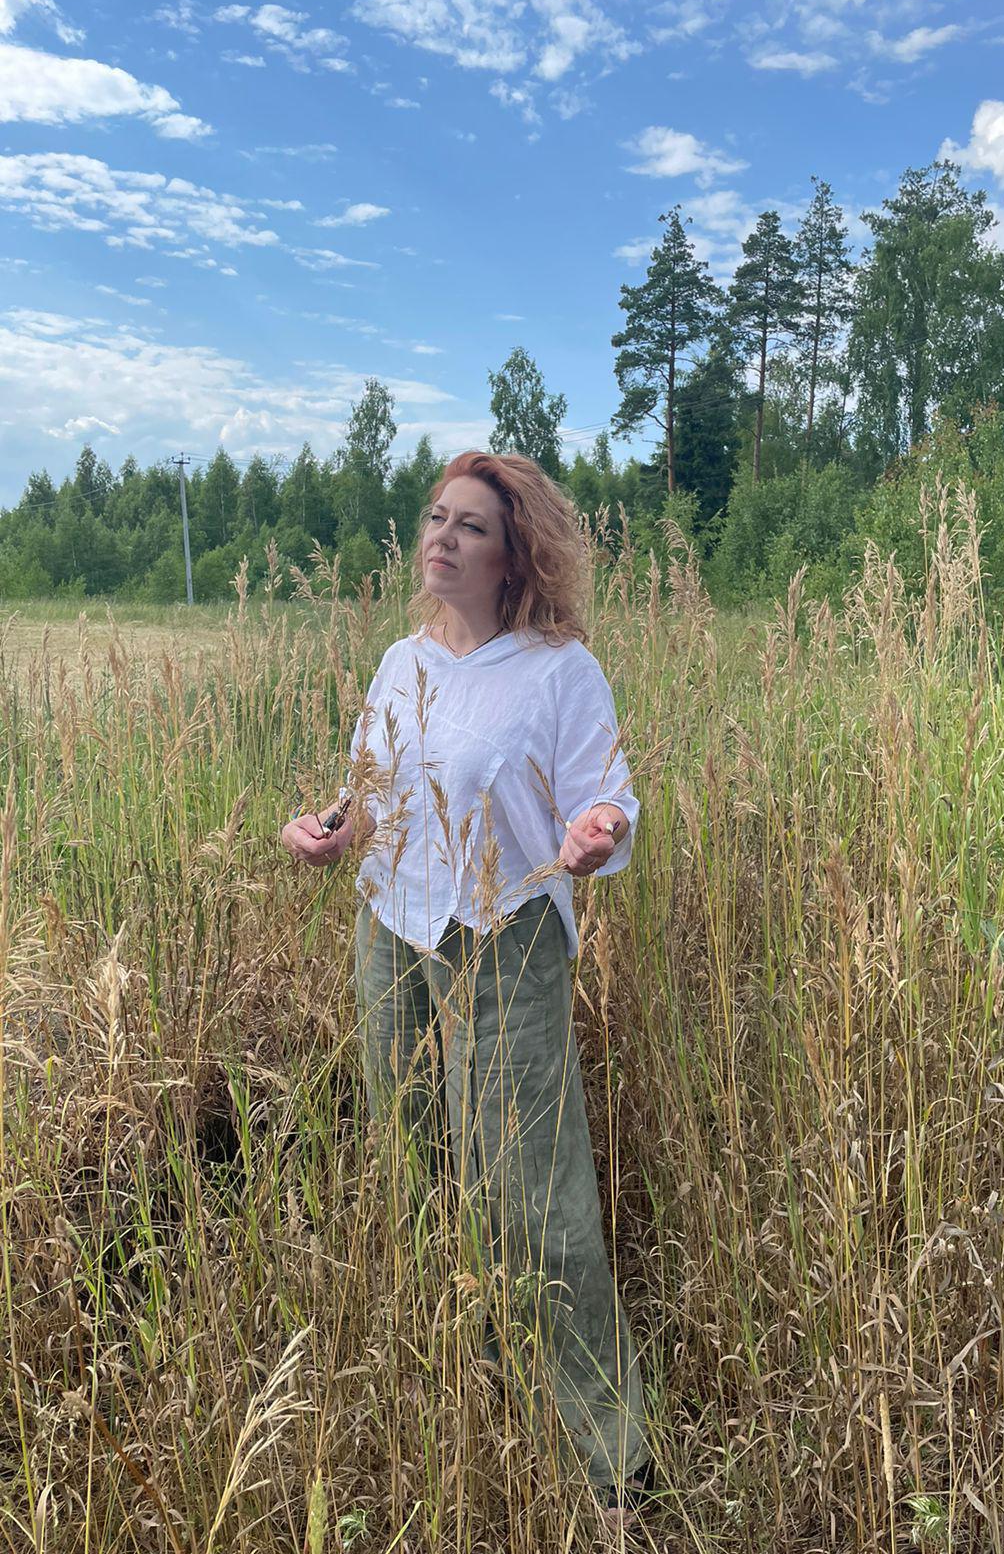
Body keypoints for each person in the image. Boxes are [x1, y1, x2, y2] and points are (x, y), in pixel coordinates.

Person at [278, 451, 657, 1530]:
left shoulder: (557, 670)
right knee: (416, 1154)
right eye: (435, 519)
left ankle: (612, 1449)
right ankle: (478, 1361)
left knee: (532, 1190)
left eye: (470, 526)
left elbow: (609, 796)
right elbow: (370, 788)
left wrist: (599, 834)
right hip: (391, 927)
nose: (441, 537)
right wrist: (326, 830)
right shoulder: (401, 660)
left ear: (513, 553)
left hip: (505, 937)